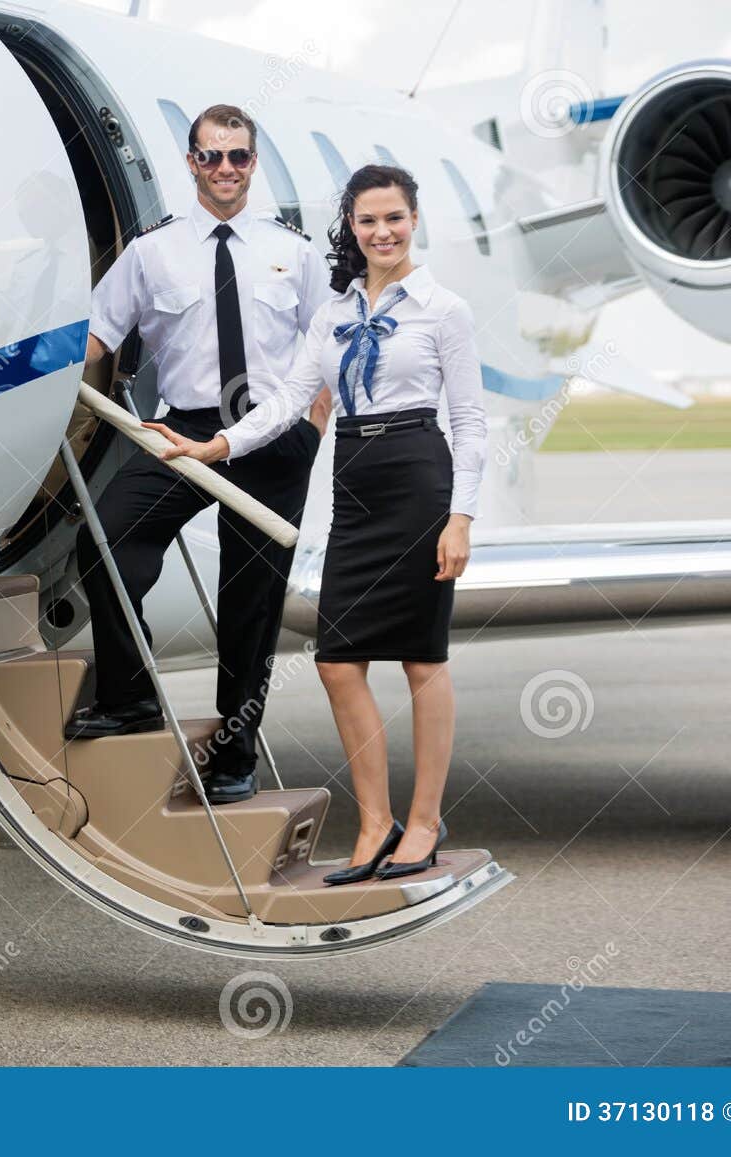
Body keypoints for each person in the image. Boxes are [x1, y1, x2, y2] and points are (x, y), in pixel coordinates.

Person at [152, 163, 486, 877]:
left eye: (394, 217)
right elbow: (283, 401)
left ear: (413, 220)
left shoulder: (443, 309)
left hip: (419, 474)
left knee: (423, 660)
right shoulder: (333, 314)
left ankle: (424, 822)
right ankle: (375, 823)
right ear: (353, 229)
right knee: (337, 661)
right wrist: (216, 445)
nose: (382, 231)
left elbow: (470, 421)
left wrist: (460, 517)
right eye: (368, 221)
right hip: (356, 482)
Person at [70, 103, 333, 805]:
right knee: (105, 542)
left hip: (272, 437)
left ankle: (234, 754)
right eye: (211, 156)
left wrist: (310, 433)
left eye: (238, 156)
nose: (225, 169)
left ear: (253, 164)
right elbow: (98, 335)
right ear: (191, 163)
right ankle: (129, 695)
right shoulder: (152, 252)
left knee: (250, 603)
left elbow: (325, 351)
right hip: (182, 432)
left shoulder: (293, 252)